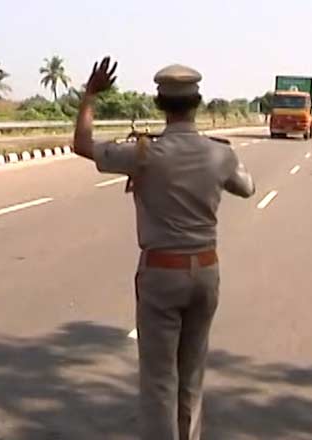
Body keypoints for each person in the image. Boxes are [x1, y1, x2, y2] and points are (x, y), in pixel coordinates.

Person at [72, 57, 256, 440]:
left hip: (160, 273)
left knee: (158, 381)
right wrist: (224, 162)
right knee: (192, 375)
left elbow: (82, 144)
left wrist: (90, 95)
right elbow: (247, 188)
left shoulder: (142, 154)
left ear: (160, 105)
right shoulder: (219, 153)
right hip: (205, 271)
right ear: (198, 103)